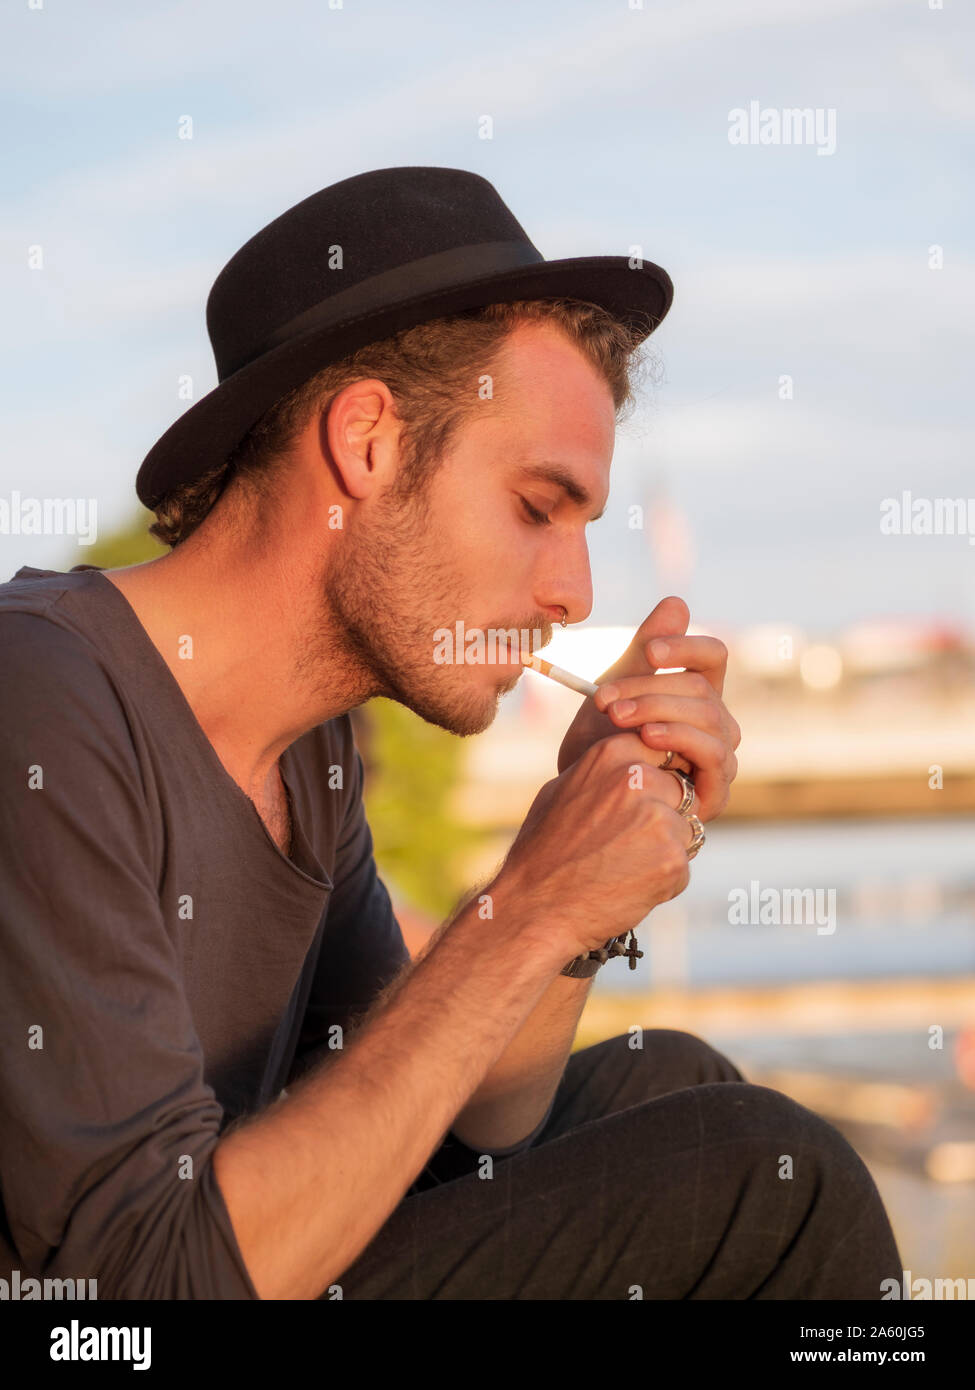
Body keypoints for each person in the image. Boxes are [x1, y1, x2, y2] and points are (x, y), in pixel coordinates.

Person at [0, 167, 902, 1300]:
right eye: (537, 506)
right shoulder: (40, 692)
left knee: (663, 1092)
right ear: (368, 443)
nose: (574, 591)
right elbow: (145, 1281)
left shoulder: (312, 755)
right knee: (774, 1185)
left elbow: (465, 1138)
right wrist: (525, 913)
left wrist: (572, 900)